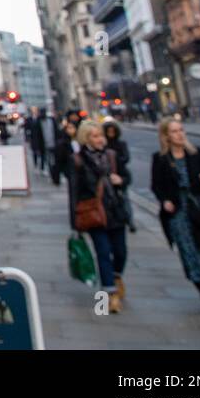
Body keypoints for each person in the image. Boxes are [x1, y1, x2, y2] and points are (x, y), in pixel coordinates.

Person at [151, 117, 200, 317]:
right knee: (190, 255)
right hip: (178, 214)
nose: (180, 134)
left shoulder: (195, 154)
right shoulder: (160, 159)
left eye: (181, 130)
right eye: (174, 131)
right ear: (166, 136)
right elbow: (156, 186)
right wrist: (165, 200)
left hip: (198, 211)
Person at [71, 120, 128, 313]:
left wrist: (121, 180)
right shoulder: (78, 160)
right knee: (103, 254)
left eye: (100, 135)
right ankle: (106, 300)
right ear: (86, 138)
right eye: (95, 136)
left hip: (115, 211)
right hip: (94, 213)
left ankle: (116, 276)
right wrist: (75, 222)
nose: (99, 139)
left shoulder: (112, 156)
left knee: (120, 252)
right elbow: (74, 192)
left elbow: (127, 177)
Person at [103, 120, 136, 233]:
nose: (111, 134)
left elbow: (126, 158)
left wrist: (116, 161)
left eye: (112, 132)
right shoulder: (103, 144)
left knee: (125, 198)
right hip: (108, 176)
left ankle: (130, 221)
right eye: (108, 132)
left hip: (120, 174)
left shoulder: (121, 144)